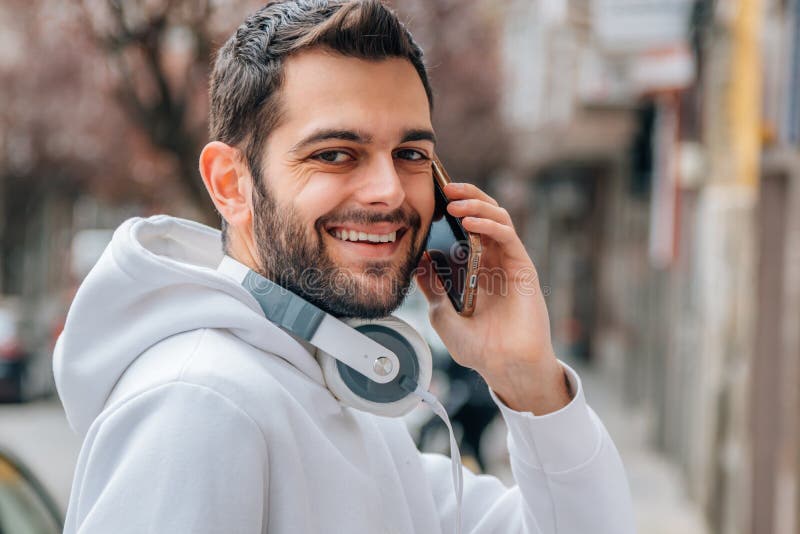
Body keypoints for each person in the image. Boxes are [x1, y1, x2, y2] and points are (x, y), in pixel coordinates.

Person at [54, 1, 636, 532]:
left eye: (411, 154)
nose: (387, 190)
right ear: (231, 185)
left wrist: (528, 380)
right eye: (334, 154)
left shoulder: (347, 393)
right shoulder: (201, 405)